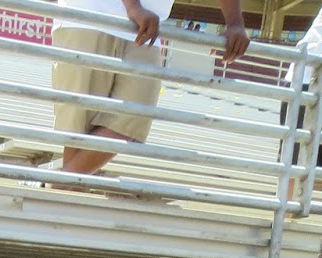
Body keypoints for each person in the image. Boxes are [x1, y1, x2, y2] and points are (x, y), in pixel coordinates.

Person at [51, 0, 249, 178]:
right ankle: (59, 191)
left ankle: (56, 185)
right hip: (89, 16)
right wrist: (133, 6)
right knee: (80, 128)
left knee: (135, 115)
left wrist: (235, 23)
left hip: (147, 29)